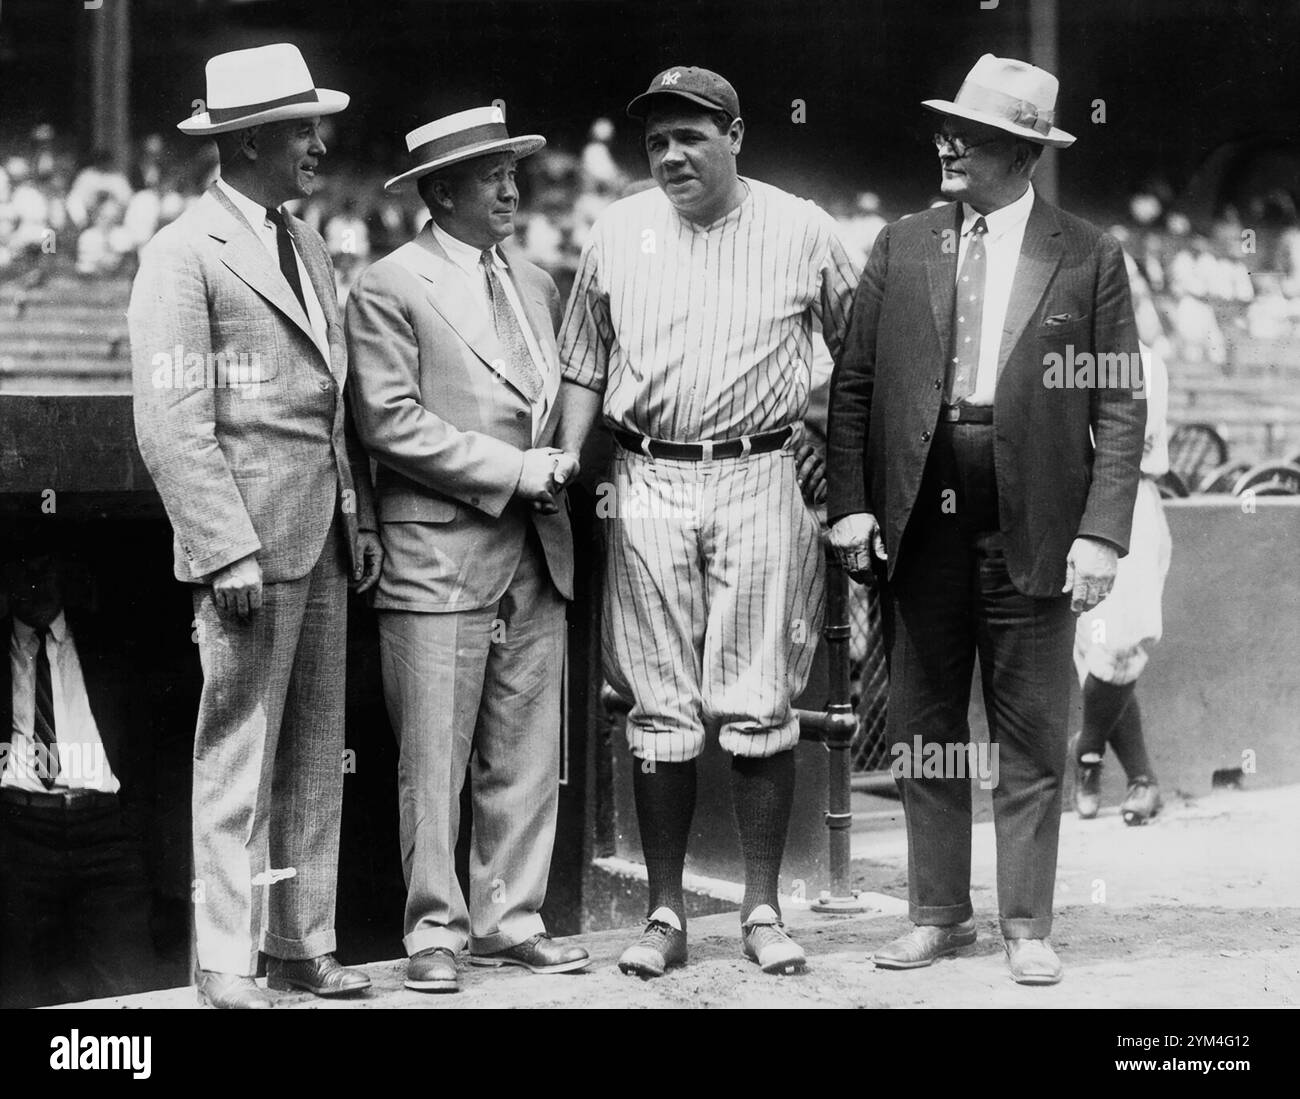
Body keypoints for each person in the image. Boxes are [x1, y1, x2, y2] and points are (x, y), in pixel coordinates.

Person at [826, 54, 1146, 985]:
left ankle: (1027, 925)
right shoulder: (903, 243)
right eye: (948, 129)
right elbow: (853, 387)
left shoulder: (1087, 253)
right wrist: (850, 506)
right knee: (927, 728)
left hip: (1035, 531)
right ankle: (936, 914)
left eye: (972, 136)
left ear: (1023, 155)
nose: (949, 145)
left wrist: (1102, 531)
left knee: (1031, 735)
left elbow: (1119, 406)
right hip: (919, 527)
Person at [554, 66, 857, 978]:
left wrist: (821, 436)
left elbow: (866, 356)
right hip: (647, 469)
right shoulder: (617, 229)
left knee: (760, 696)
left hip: (760, 467)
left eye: (691, 135)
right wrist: (569, 461)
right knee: (658, 704)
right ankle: (664, 913)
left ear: (736, 135)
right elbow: (582, 362)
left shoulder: (802, 226)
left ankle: (763, 908)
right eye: (656, 141)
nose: (672, 154)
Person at [129, 43, 382, 1009]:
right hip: (246, 543)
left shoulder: (306, 243)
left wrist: (353, 514)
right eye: (301, 129)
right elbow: (172, 421)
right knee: (239, 751)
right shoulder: (183, 252)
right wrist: (223, 544)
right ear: (246, 140)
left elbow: (328, 398)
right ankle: (227, 960)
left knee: (316, 750)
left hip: (317, 534)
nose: (319, 145)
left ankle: (301, 941)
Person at [345, 106, 589, 994]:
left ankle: (510, 918)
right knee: (434, 761)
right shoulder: (389, 285)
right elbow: (389, 421)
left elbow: (556, 397)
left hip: (537, 547)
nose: (511, 188)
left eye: (514, 172)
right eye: (491, 175)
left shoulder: (533, 280)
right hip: (439, 551)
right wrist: (516, 469)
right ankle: (434, 931)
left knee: (524, 748)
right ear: (440, 191)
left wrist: (555, 461)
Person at [0, 533, 157, 1007]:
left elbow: (154, 739)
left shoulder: (110, 638)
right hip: (18, 832)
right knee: (20, 987)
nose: (36, 581)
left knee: (130, 985)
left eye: (45, 566)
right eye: (23, 567)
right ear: (5, 576)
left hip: (106, 831)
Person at [1073, 256, 1173, 825]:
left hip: (1129, 504)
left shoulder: (1146, 363)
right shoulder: (1057, 360)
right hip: (1073, 508)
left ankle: (1085, 750)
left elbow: (1128, 451)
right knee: (1093, 650)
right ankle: (1142, 780)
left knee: (1122, 643)